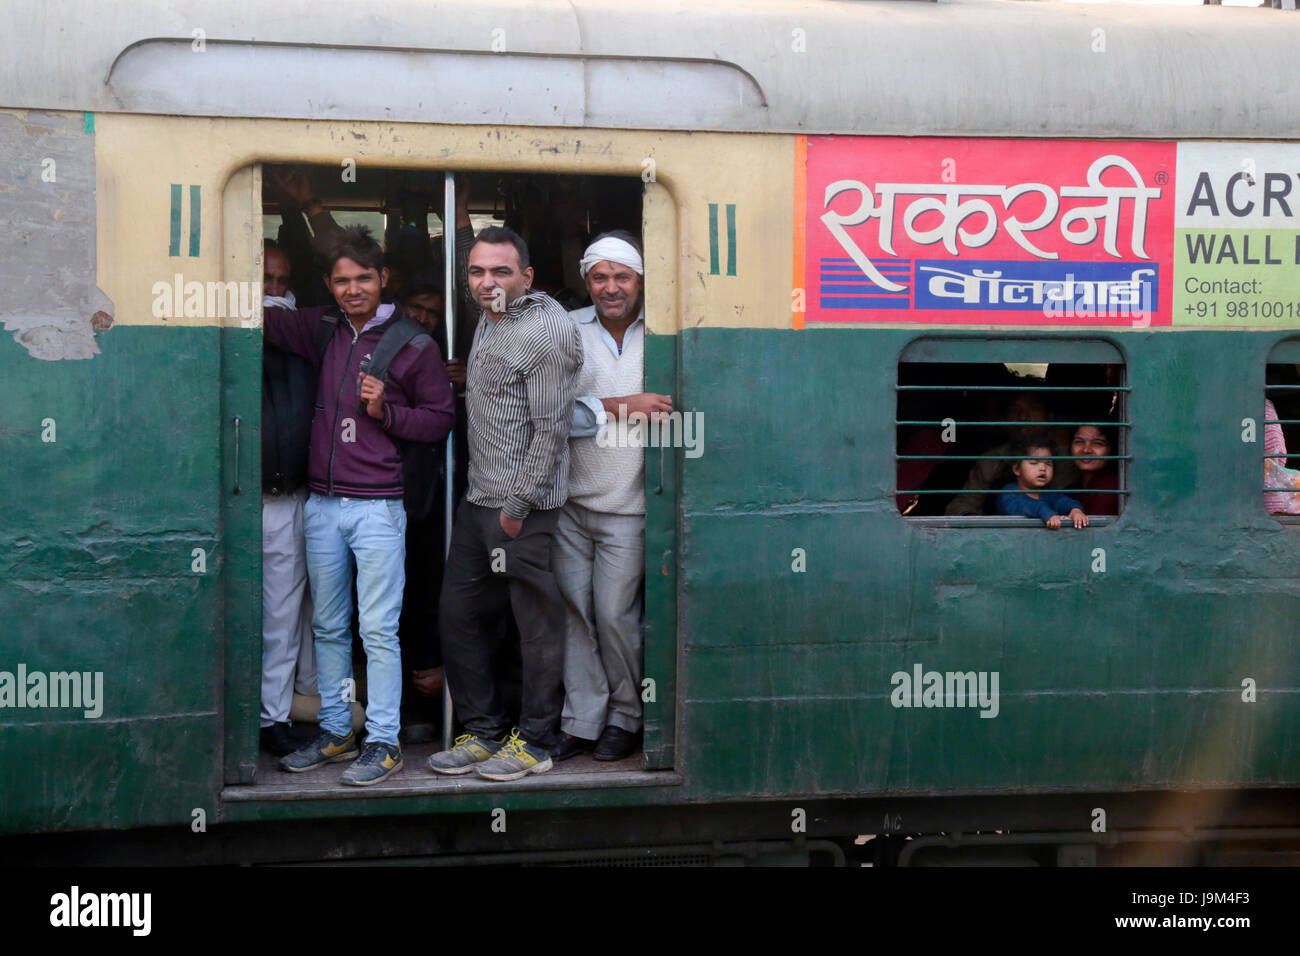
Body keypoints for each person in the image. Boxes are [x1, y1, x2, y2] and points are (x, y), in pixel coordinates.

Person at [264, 226, 456, 785]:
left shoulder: (413, 343)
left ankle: (384, 742)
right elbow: (260, 317)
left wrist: (387, 413)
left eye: (364, 279)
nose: (354, 289)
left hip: (378, 508)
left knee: (377, 629)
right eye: (343, 280)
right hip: (322, 505)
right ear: (328, 284)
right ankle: (335, 733)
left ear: (383, 280)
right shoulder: (320, 326)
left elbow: (440, 420)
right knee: (329, 628)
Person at [428, 226, 583, 782]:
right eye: (476, 271)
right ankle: (483, 731)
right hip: (479, 498)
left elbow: (551, 431)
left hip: (523, 506)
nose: (487, 281)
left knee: (535, 625)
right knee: (459, 616)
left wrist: (515, 509)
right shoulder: (491, 318)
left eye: (500, 271)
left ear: (527, 276)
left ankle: (536, 741)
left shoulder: (545, 331)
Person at [549, 233, 669, 763]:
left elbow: (671, 410)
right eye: (600, 277)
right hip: (570, 504)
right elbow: (551, 413)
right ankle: (582, 720)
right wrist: (622, 405)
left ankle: (626, 715)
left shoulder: (663, 332)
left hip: (630, 507)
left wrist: (596, 407)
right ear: (586, 281)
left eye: (622, 277)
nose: (611, 288)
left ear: (640, 281)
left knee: (615, 615)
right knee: (574, 614)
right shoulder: (566, 330)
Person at [258, 242, 318, 756]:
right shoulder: (227, 330)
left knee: (289, 611)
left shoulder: (306, 336)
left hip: (293, 496)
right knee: (262, 611)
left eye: (282, 280)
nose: (274, 291)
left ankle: (281, 713)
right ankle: (257, 715)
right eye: (264, 279)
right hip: (243, 501)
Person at [945, 392, 1080, 516]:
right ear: (1004, 419)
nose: (1023, 417)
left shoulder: (1067, 457)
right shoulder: (992, 460)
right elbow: (961, 507)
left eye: (1033, 409)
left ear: (1049, 417)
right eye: (1014, 410)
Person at [996, 435, 1089, 529]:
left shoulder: (1049, 492)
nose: (1043, 468)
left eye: (1048, 464)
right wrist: (1045, 512)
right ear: (1017, 469)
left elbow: (1063, 501)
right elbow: (1022, 507)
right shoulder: (1008, 493)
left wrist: (1075, 510)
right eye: (1034, 463)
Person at [1069, 424, 1120, 516]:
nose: (1086, 450)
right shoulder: (1074, 489)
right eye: (1079, 442)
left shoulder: (1110, 489)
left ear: (1111, 450)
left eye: (1098, 443)